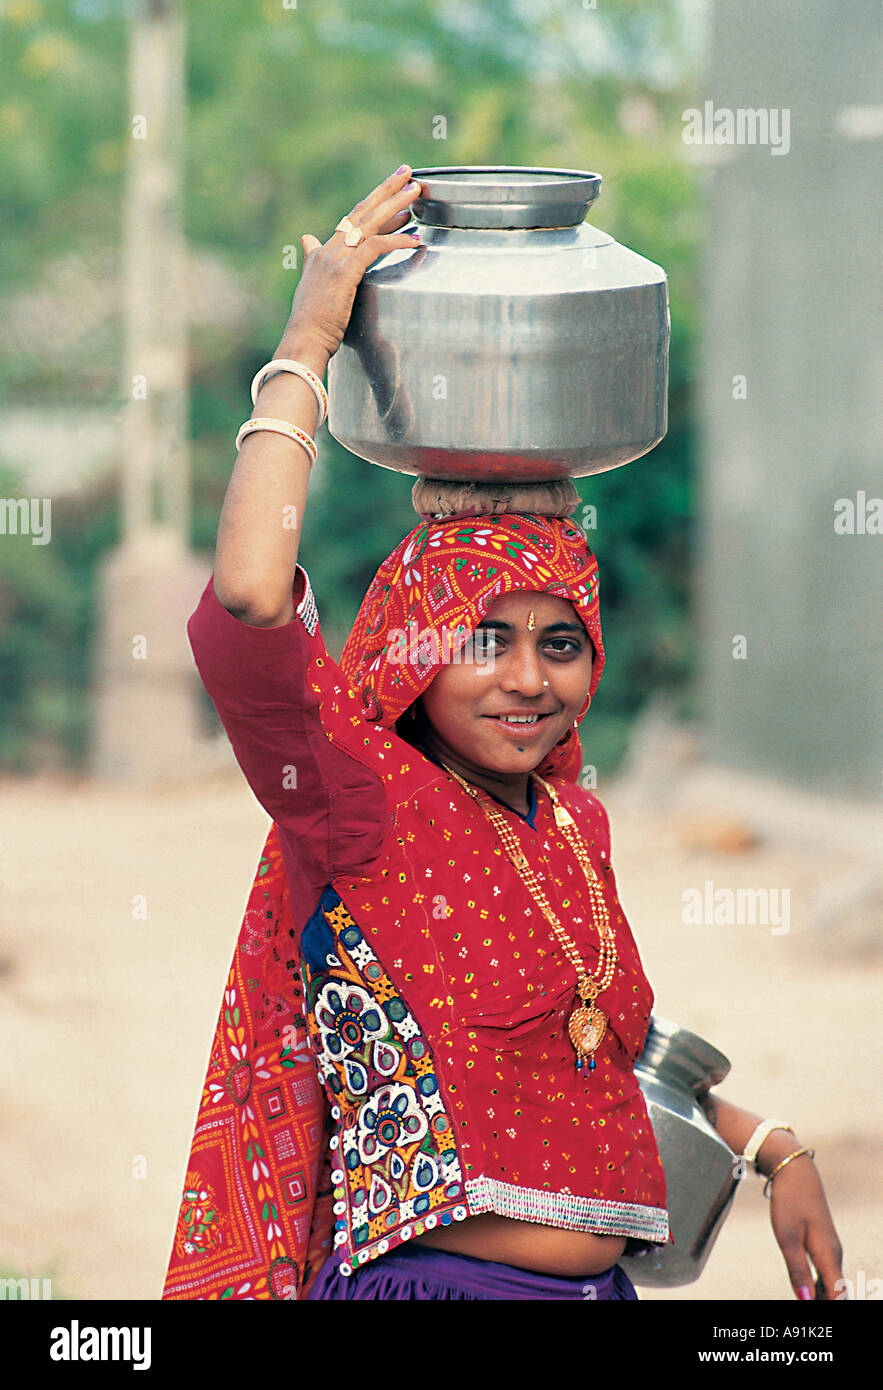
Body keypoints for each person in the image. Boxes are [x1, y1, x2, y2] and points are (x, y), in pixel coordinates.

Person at [161, 165, 844, 1302]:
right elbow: (248, 600)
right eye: (483, 639)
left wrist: (773, 1146)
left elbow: (605, 1041)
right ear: (417, 655)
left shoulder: (571, 822)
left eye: (559, 642)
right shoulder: (362, 802)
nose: (528, 679)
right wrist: (310, 340)